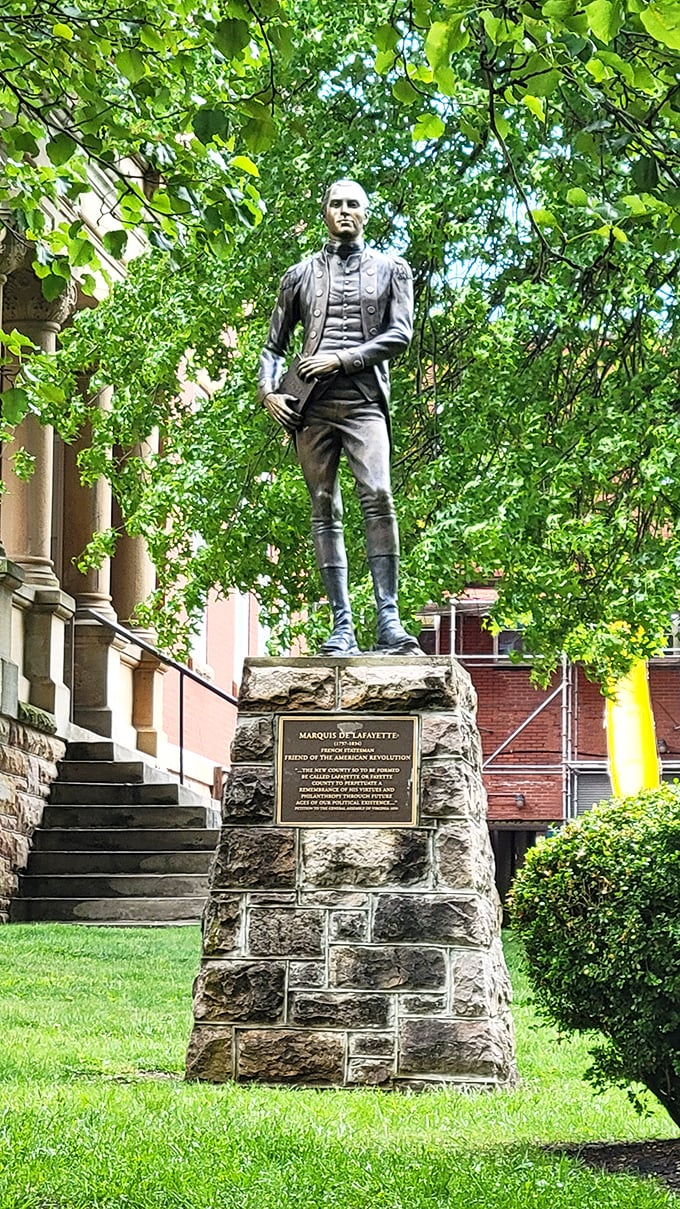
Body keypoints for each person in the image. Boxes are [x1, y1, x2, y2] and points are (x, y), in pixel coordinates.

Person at [258, 179, 422, 657]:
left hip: (364, 400)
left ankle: (388, 618)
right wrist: (268, 392)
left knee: (378, 493)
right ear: (324, 212)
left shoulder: (394, 270)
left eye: (353, 204)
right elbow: (273, 346)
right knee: (323, 505)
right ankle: (341, 625)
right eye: (336, 203)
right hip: (310, 408)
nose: (344, 211)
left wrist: (341, 359)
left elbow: (399, 335)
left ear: (366, 213)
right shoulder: (299, 275)